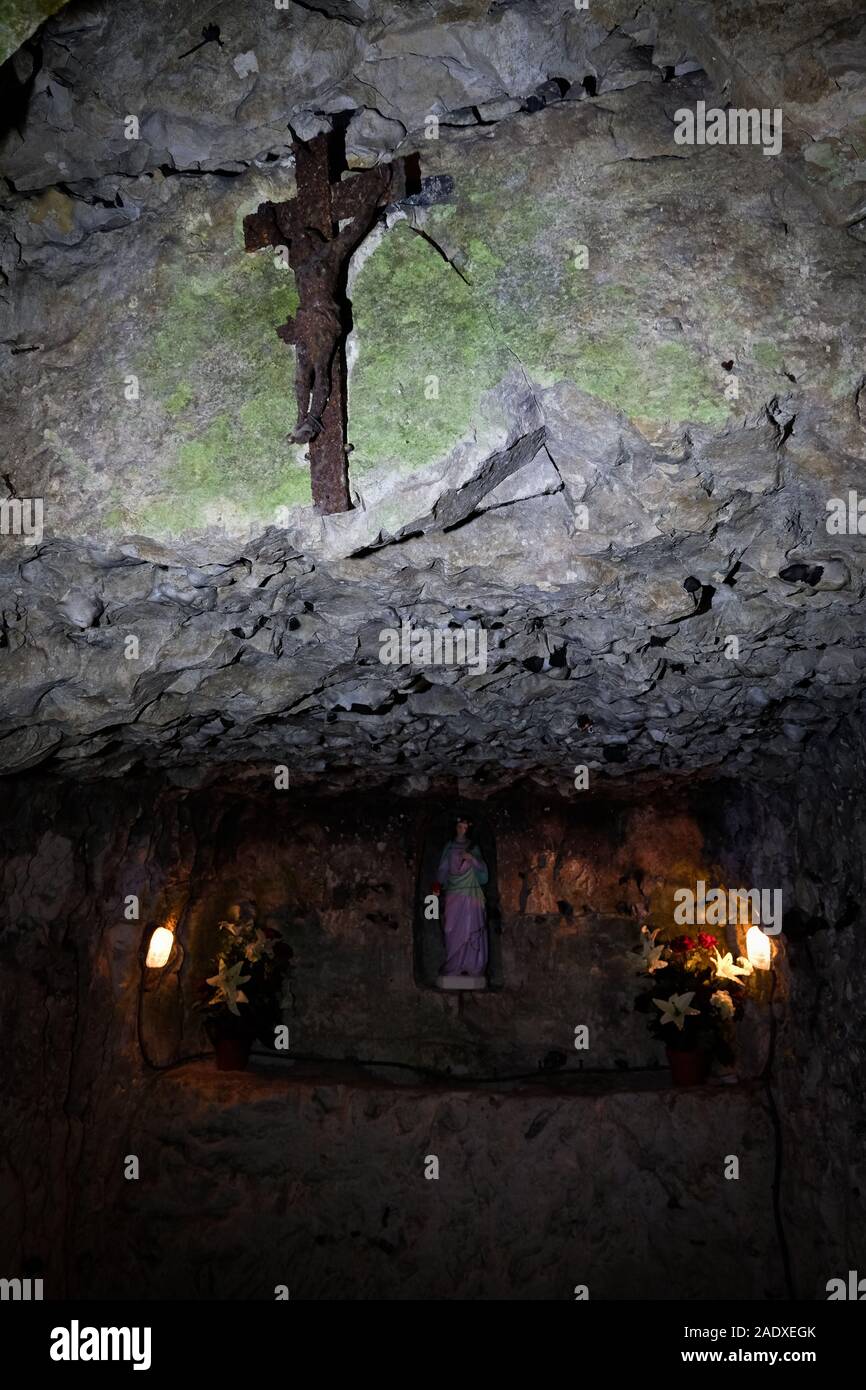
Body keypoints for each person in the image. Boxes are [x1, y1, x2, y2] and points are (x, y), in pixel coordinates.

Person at [436, 816, 488, 977]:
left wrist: (472, 858)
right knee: (450, 928)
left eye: (465, 828)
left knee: (472, 927)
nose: (462, 830)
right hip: (453, 891)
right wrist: (435, 892)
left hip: (471, 892)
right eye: (460, 826)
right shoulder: (449, 847)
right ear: (455, 827)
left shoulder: (473, 848)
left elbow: (484, 872)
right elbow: (441, 872)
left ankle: (472, 965)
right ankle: (453, 965)